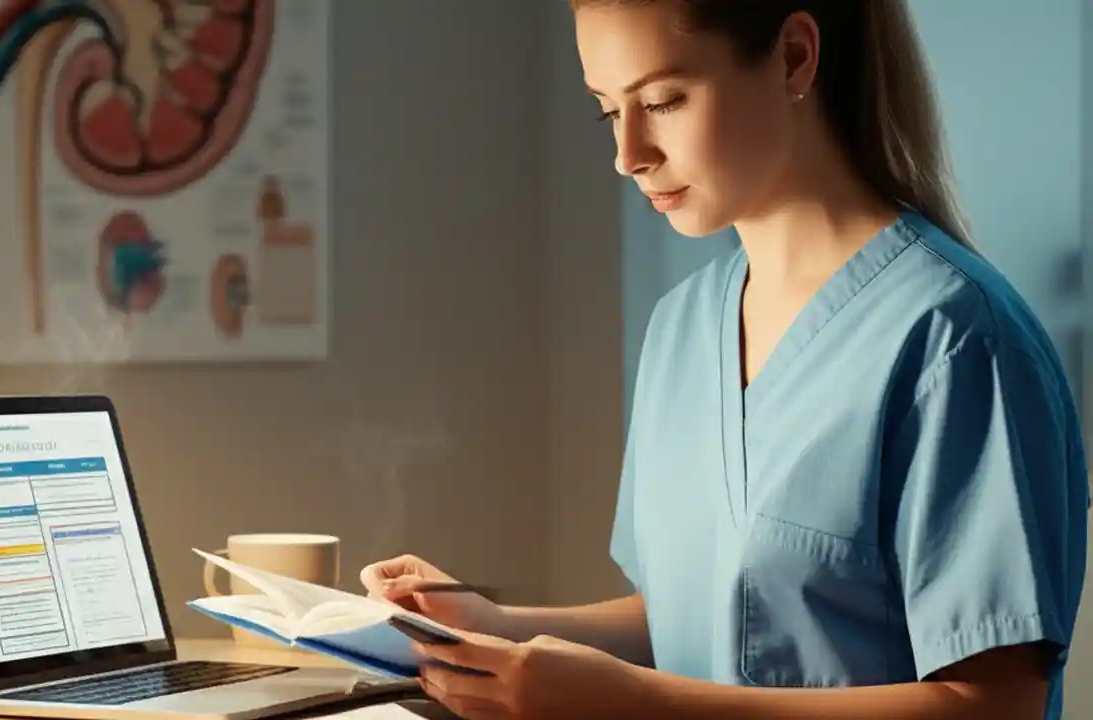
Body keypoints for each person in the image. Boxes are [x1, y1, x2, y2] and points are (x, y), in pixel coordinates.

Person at [361, 1, 1089, 718]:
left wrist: (634, 704)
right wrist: (495, 627)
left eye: (663, 101)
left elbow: (995, 704)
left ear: (794, 58)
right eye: (608, 110)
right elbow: (708, 622)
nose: (628, 154)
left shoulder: (955, 340)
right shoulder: (683, 326)